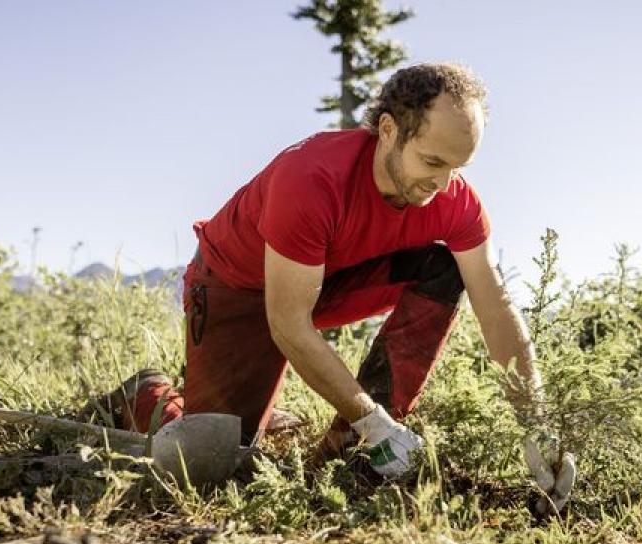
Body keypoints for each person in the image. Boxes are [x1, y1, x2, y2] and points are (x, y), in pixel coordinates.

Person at [87, 62, 577, 511]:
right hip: (237, 290)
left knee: (444, 268)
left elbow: (495, 308)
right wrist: (373, 420)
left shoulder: (453, 198)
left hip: (329, 282)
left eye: (457, 168)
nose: (444, 184)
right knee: (218, 459)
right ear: (388, 131)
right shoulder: (311, 178)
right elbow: (288, 325)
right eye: (432, 163)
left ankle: (353, 454)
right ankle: (146, 394)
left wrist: (537, 425)